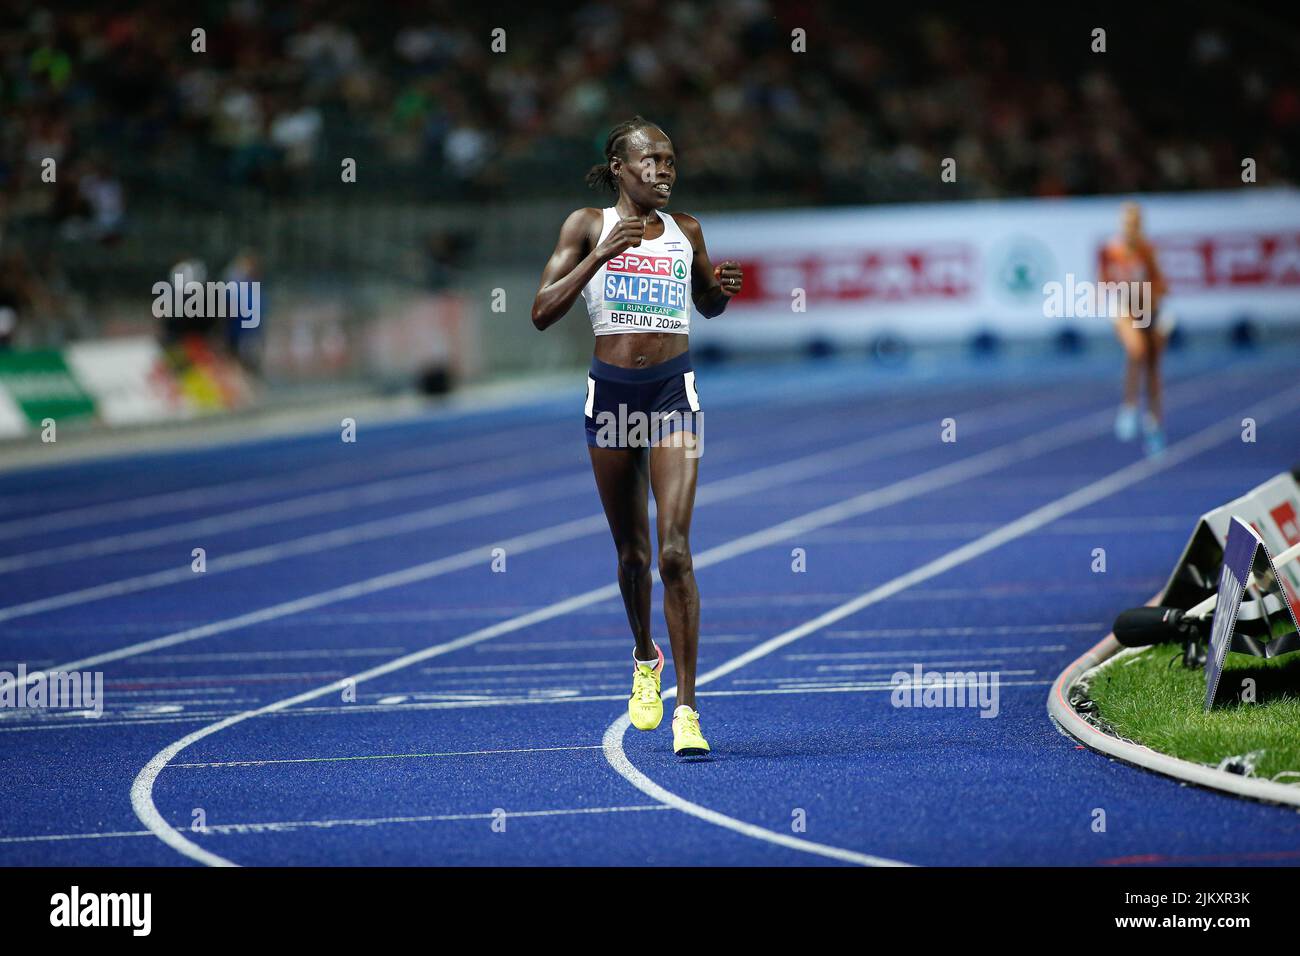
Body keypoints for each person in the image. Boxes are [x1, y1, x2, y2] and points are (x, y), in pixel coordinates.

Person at [530, 117, 743, 755]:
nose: (664, 170)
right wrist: (602, 253)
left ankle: (688, 709)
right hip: (613, 402)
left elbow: (706, 303)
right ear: (619, 168)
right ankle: (643, 659)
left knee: (676, 552)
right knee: (634, 556)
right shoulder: (585, 225)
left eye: (671, 160)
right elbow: (541, 311)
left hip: (674, 396)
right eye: (650, 160)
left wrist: (720, 293)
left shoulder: (689, 231)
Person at [1102, 202, 1171, 456]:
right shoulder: (1113, 250)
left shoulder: (1146, 251)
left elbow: (1161, 283)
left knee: (1153, 370)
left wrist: (1152, 297)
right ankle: (1129, 406)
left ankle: (1154, 426)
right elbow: (1105, 281)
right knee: (1136, 350)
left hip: (1148, 310)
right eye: (1126, 224)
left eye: (1134, 224)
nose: (1129, 229)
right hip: (1124, 309)